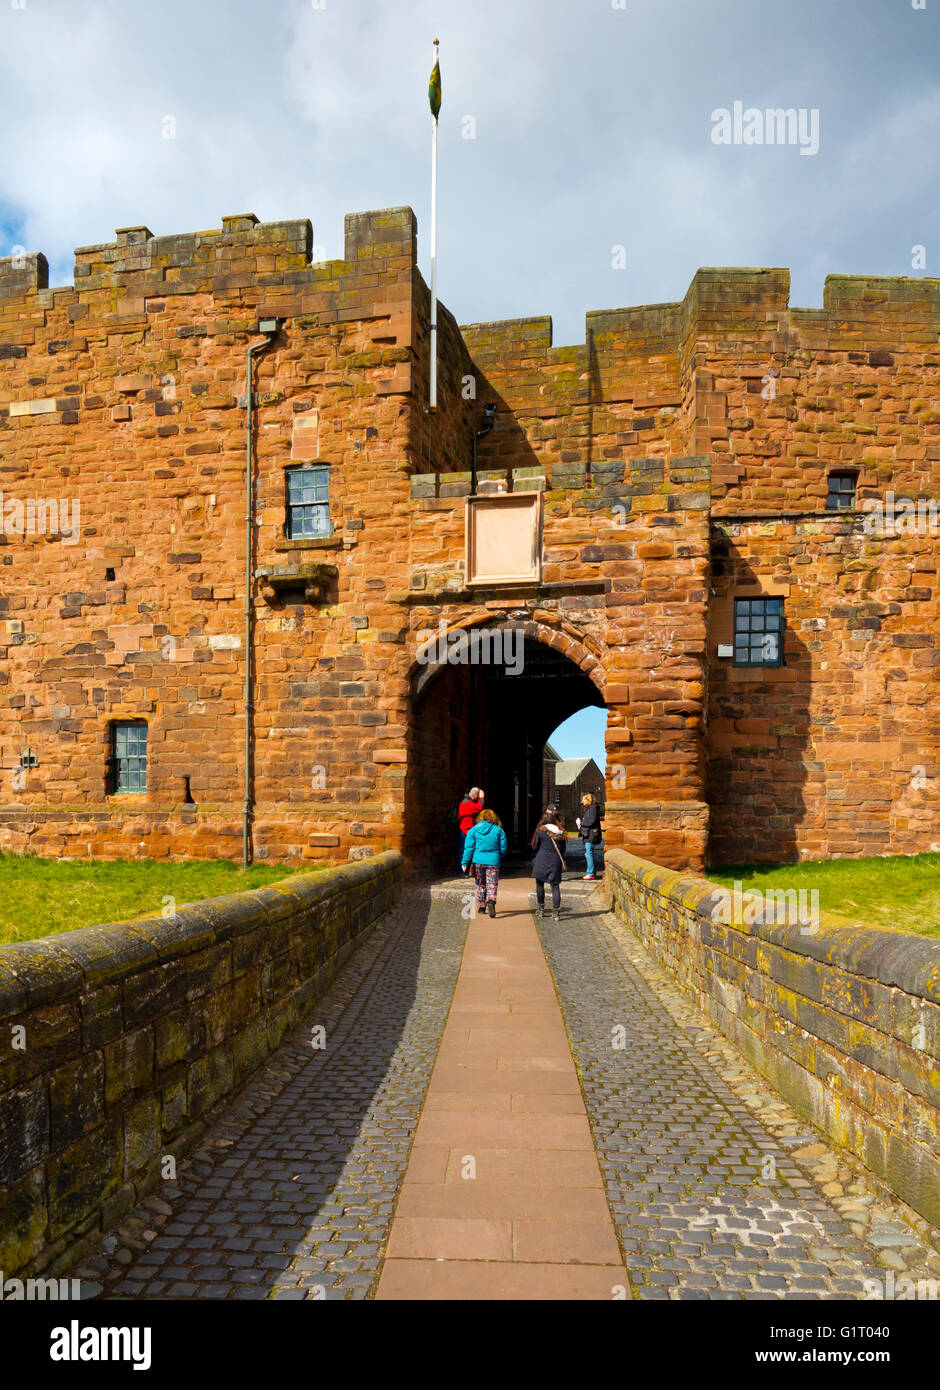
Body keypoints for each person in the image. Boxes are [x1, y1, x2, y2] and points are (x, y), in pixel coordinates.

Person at [461, 807, 507, 917]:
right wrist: (499, 855)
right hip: (493, 861)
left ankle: (481, 906)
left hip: (478, 860)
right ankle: (490, 900)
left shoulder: (474, 830)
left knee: (480, 883)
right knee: (492, 883)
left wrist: (465, 862)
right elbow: (503, 846)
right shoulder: (499, 830)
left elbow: (469, 847)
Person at [530, 809, 567, 921]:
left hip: (541, 860)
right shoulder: (560, 833)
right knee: (555, 886)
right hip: (555, 862)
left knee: (540, 885)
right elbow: (563, 850)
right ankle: (556, 912)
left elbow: (535, 847)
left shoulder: (541, 832)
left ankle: (541, 909)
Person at [456, 787, 484, 875]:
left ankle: (466, 870)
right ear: (475, 795)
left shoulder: (467, 802)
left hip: (466, 829)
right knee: (464, 850)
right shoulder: (467, 803)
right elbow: (479, 808)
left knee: (465, 850)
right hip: (465, 830)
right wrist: (481, 798)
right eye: (477, 796)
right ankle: (461, 871)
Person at [576, 793, 602, 880]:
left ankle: (590, 873)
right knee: (589, 853)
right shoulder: (591, 808)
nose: (582, 801)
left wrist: (581, 823)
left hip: (591, 834)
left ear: (588, 800)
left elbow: (592, 820)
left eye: (584, 799)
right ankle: (592, 872)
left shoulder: (593, 808)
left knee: (588, 853)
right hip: (589, 834)